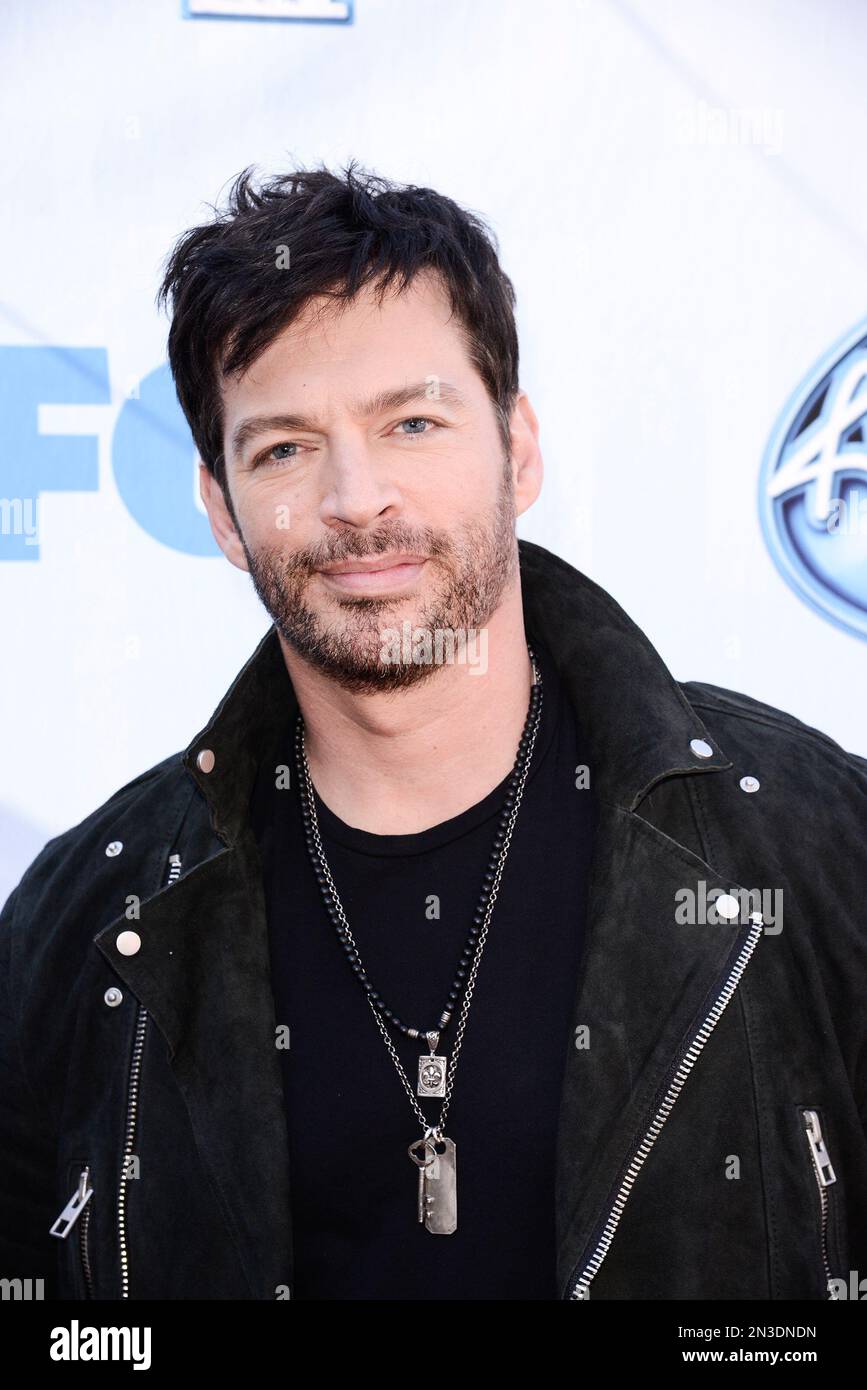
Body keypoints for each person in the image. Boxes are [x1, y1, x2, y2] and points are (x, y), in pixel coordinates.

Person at [1, 163, 865, 1301]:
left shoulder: (809, 840)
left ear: (520, 450)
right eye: (285, 449)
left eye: (411, 421)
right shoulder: (92, 922)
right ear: (218, 509)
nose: (358, 498)